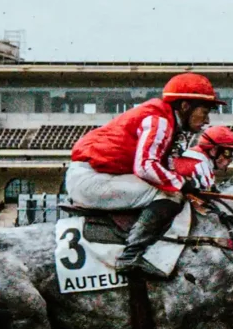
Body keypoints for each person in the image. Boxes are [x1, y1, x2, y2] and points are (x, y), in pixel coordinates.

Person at [64, 73, 218, 269]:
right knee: (171, 195)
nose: (206, 119)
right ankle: (131, 256)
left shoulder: (166, 120)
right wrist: (182, 183)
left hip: (100, 176)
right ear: (185, 106)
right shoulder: (160, 120)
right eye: (204, 112)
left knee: (172, 190)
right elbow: (145, 166)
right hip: (90, 179)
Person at [178, 123, 233, 192]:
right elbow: (210, 197)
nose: (230, 159)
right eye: (227, 153)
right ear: (214, 150)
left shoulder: (193, 155)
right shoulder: (200, 164)